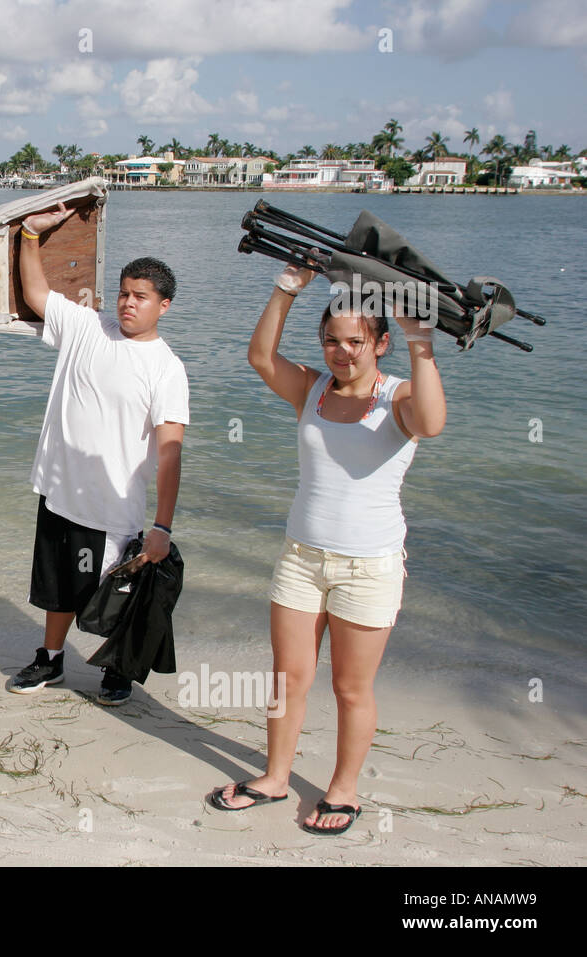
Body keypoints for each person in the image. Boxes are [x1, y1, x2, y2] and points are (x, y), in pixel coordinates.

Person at [209, 256, 446, 835]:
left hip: (369, 567)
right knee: (287, 678)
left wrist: (423, 343)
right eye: (332, 341)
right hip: (301, 559)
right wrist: (285, 289)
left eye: (355, 342)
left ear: (380, 343)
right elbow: (261, 357)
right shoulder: (311, 390)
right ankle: (274, 777)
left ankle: (344, 790)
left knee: (350, 686)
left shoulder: (400, 397)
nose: (342, 353)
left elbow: (433, 424)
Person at [6, 203, 189, 705]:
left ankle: (118, 669)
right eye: (125, 293)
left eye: (142, 297)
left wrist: (163, 526)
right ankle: (50, 660)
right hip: (60, 490)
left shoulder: (167, 369)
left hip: (113, 506)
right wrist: (29, 234)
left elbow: (170, 454)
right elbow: (37, 293)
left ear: (164, 306)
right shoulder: (88, 327)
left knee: (117, 593)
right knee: (56, 587)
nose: (129, 304)